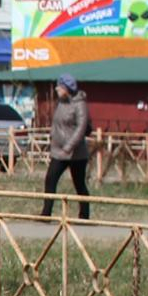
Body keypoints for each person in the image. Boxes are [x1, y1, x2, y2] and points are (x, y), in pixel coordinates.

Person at [40, 73, 92, 221]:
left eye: (59, 86)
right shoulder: (61, 102)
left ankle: (84, 215)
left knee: (79, 184)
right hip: (58, 151)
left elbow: (81, 128)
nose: (56, 89)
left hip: (76, 154)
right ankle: (46, 213)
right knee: (50, 179)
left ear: (66, 88)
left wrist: (69, 147)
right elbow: (57, 124)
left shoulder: (80, 104)